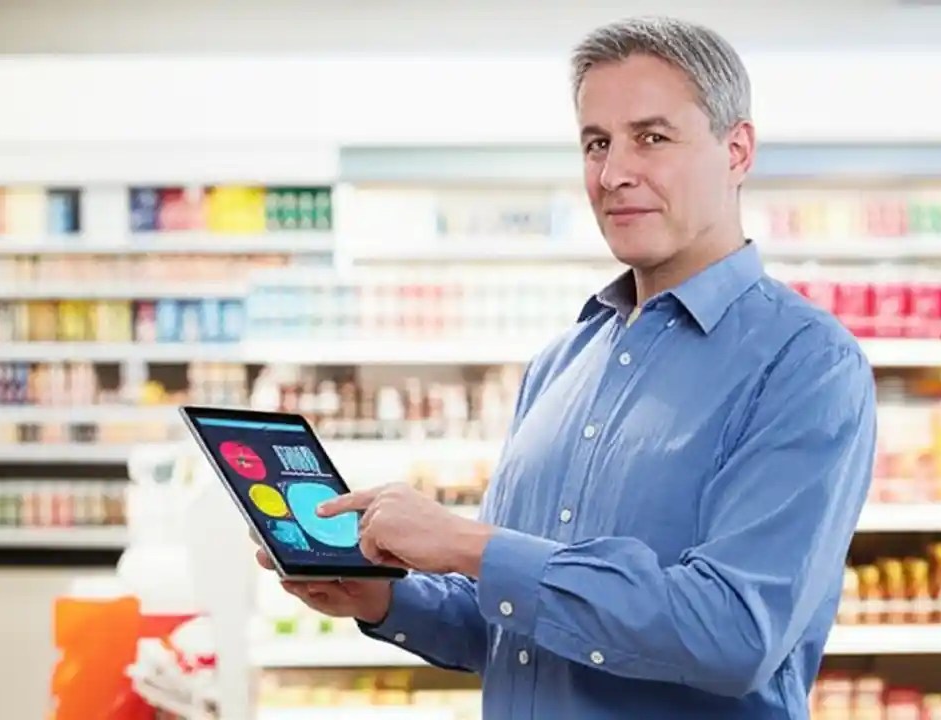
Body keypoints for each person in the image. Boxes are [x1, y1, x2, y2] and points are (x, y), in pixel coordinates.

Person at [255, 15, 877, 719]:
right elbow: (516, 629)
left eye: (652, 137)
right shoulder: (561, 365)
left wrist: (466, 545)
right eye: (595, 143)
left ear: (737, 151)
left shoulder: (805, 363)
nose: (614, 173)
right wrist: (386, 596)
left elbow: (732, 631)